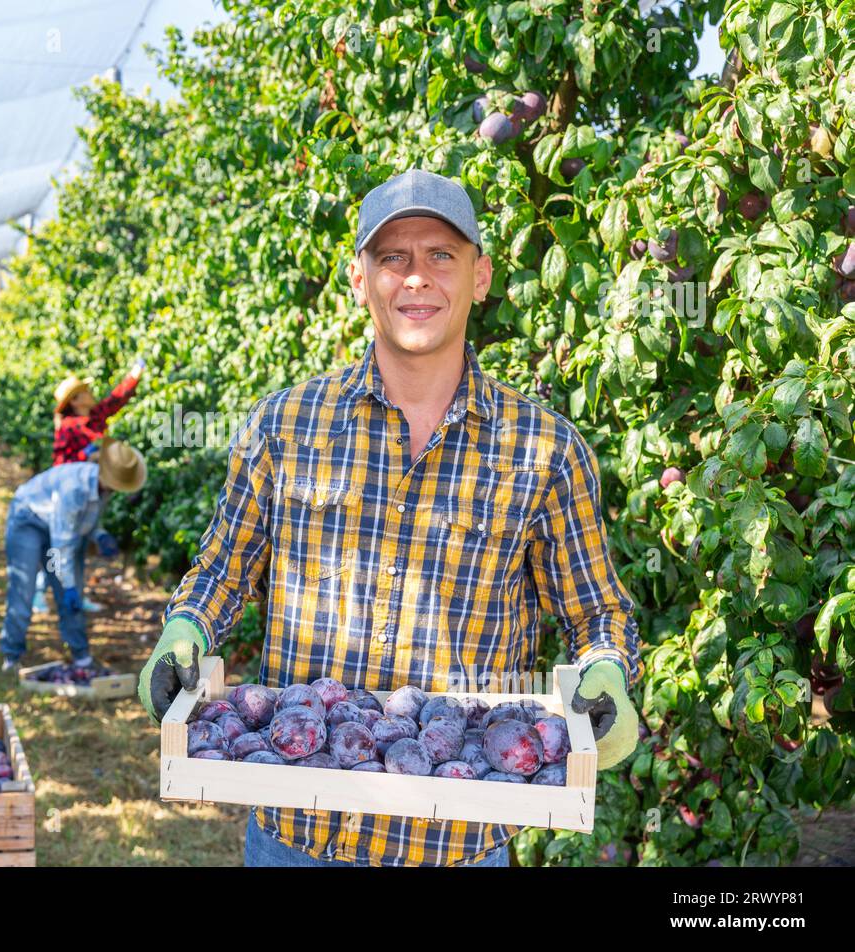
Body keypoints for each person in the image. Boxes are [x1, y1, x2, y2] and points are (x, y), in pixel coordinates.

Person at [137, 169, 641, 867]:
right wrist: (184, 630)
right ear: (358, 278)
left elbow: (596, 614)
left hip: (455, 842)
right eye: (392, 258)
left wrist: (607, 671)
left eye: (441, 256)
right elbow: (223, 571)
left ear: (481, 275)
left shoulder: (545, 450)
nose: (415, 279)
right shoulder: (286, 426)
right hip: (299, 835)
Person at [2, 440, 147, 674]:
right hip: (28, 520)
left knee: (73, 594)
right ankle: (11, 655)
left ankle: (81, 657)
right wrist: (67, 585)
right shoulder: (74, 489)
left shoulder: (102, 488)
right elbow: (61, 547)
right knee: (24, 588)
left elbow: (81, 524)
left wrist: (98, 535)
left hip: (59, 528)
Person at [32, 357, 146, 613]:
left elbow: (115, 400)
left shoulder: (93, 417)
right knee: (59, 543)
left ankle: (74, 592)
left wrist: (134, 374)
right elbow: (97, 446)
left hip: (89, 492)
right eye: (85, 391)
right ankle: (38, 592)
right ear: (75, 400)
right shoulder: (72, 426)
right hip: (68, 495)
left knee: (77, 545)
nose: (91, 392)